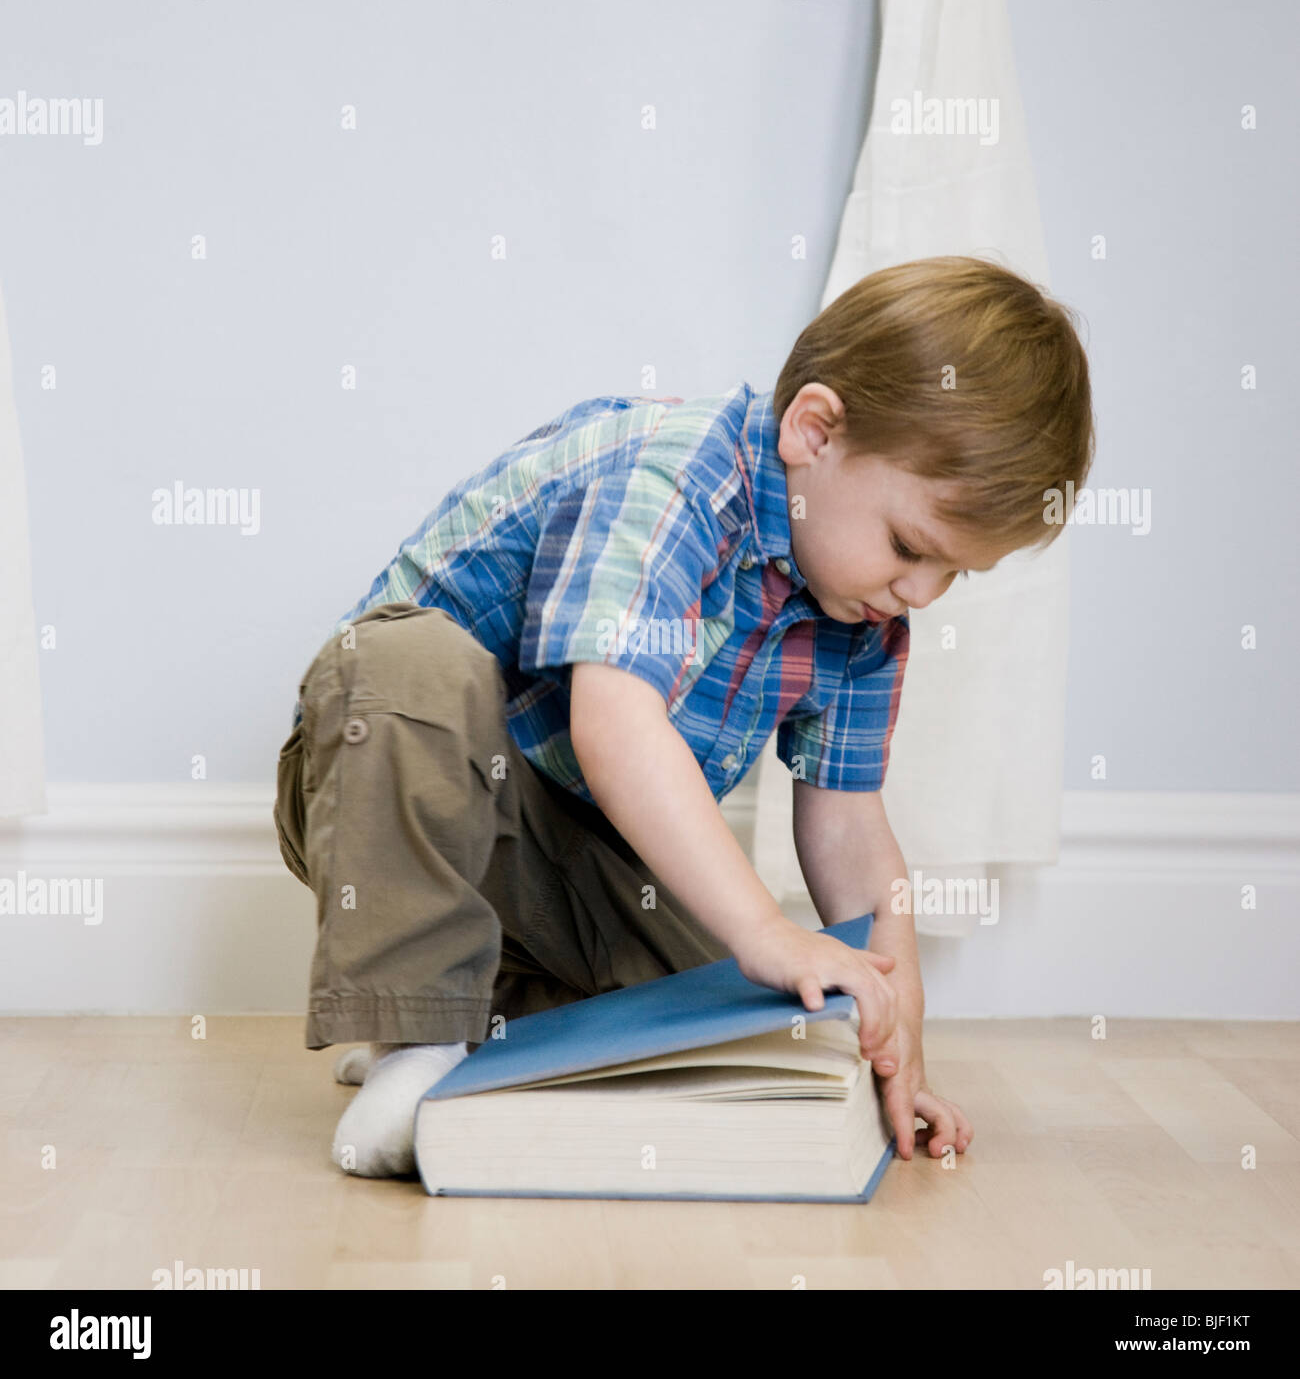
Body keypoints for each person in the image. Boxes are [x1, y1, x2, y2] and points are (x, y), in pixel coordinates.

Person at [273, 254, 1095, 1177]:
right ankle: (414, 1035)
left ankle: (479, 1029)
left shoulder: (864, 615)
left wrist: (898, 1046)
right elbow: (615, 725)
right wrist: (766, 928)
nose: (920, 592)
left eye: (954, 573)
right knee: (404, 664)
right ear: (815, 431)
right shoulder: (673, 481)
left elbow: (850, 826)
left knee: (739, 1022)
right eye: (909, 545)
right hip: (391, 782)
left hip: (583, 849)